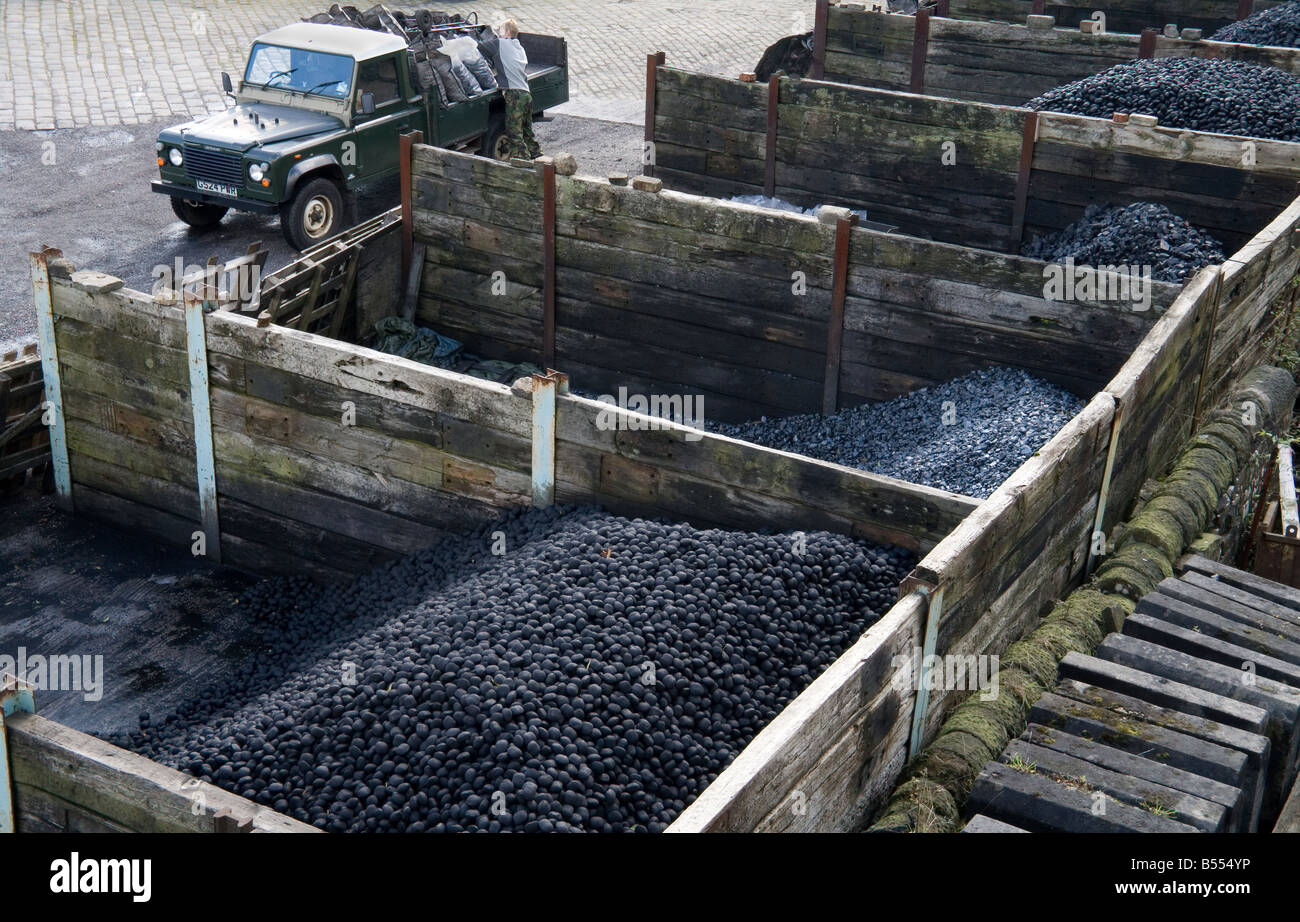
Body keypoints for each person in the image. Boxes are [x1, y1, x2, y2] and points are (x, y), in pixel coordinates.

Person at [496, 19, 542, 159]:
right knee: (526, 129)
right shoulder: (519, 47)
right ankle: (535, 153)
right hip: (526, 94)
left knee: (513, 130)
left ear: (508, 33)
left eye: (501, 30)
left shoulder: (502, 43)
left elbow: (480, 47)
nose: (498, 33)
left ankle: (522, 159)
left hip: (515, 94)